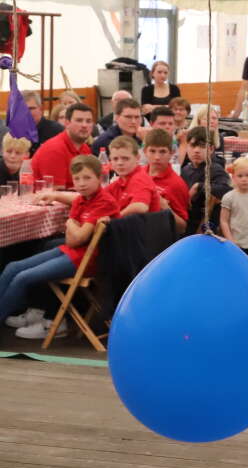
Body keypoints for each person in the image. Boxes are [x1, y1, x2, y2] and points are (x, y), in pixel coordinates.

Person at [1, 156, 118, 338]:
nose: (81, 183)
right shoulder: (80, 200)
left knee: (22, 277)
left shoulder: (105, 202)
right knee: (12, 267)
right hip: (73, 251)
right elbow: (73, 240)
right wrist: (73, 226)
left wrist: (70, 222)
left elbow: (76, 238)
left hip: (88, 260)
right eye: (77, 178)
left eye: (87, 178)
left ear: (99, 177)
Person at [179, 127, 231, 234]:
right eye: (193, 145)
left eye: (202, 146)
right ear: (187, 147)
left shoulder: (215, 169)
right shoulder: (185, 170)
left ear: (211, 149)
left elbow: (227, 190)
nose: (196, 150)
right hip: (186, 222)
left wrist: (199, 186)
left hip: (206, 227)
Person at [31, 103, 92, 189]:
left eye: (88, 121)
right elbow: (56, 195)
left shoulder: (85, 149)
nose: (84, 125)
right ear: (67, 123)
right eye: (79, 120)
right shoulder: (54, 149)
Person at [143, 128, 189, 233]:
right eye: (152, 151)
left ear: (171, 153)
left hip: (160, 239)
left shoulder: (177, 184)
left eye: (162, 151)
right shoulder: (137, 174)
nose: (157, 157)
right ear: (145, 151)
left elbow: (182, 228)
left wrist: (165, 208)